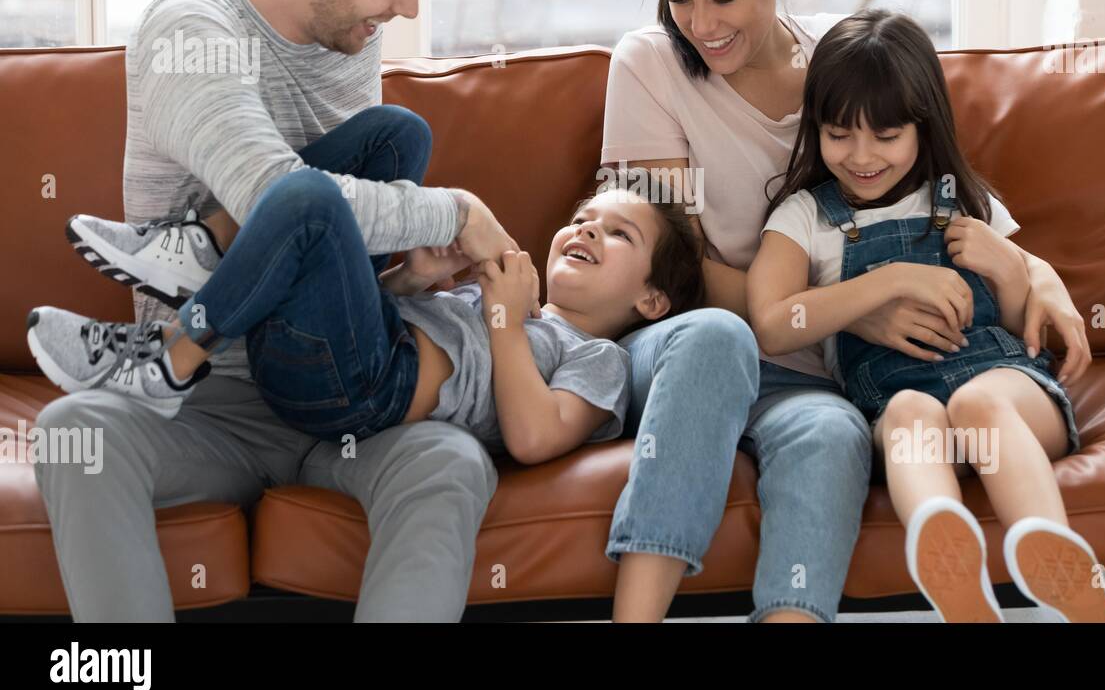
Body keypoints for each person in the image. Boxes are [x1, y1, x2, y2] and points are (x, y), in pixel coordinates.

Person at [601, 0, 1094, 622]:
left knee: (834, 434)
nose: (699, 24)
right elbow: (671, 264)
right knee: (720, 341)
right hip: (698, 337)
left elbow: (956, 207)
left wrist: (1047, 284)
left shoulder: (846, 66)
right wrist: (863, 299)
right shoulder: (649, 67)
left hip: (823, 370)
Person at [29, 0, 510, 622]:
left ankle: (198, 250)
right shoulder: (194, 30)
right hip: (204, 402)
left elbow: (334, 253)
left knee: (450, 461)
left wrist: (404, 279)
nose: (409, 8)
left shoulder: (351, 39)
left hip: (332, 392)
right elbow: (277, 194)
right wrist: (456, 211)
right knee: (79, 433)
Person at [749, 9, 1105, 622]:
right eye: (838, 134)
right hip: (900, 407)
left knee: (979, 402)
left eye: (886, 135)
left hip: (1008, 395)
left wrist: (1008, 269)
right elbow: (772, 322)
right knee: (908, 412)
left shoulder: (963, 199)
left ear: (924, 126)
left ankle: (1056, 561)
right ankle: (947, 557)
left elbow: (1021, 317)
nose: (860, 155)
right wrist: (889, 280)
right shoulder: (803, 217)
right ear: (814, 128)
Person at [30, 185, 704, 467]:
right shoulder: (501, 295)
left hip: (371, 388)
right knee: (388, 136)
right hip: (344, 348)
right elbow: (374, 317)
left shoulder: (598, 358)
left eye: (618, 234)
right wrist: (412, 280)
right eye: (584, 216)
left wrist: (502, 317)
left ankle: (172, 347)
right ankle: (200, 258)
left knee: (314, 200)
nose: (587, 229)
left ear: (650, 300)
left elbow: (532, 438)